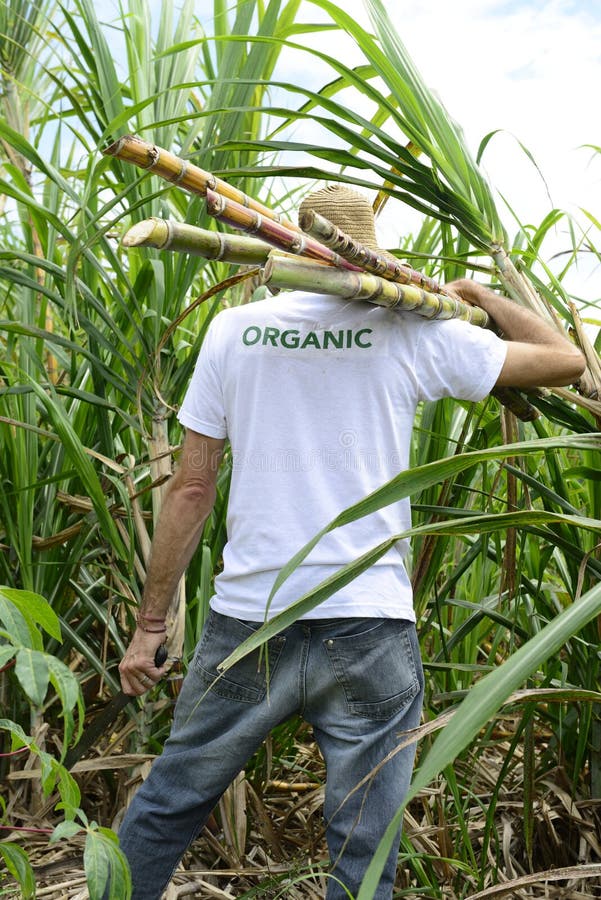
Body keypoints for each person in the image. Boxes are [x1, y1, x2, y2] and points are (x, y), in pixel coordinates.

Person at [114, 185, 585, 900]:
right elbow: (563, 361)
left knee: (165, 807)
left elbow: (190, 488)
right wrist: (480, 293)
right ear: (370, 255)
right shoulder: (415, 331)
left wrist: (151, 624)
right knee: (363, 852)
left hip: (250, 622)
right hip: (368, 623)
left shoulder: (234, 333)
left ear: (282, 243)